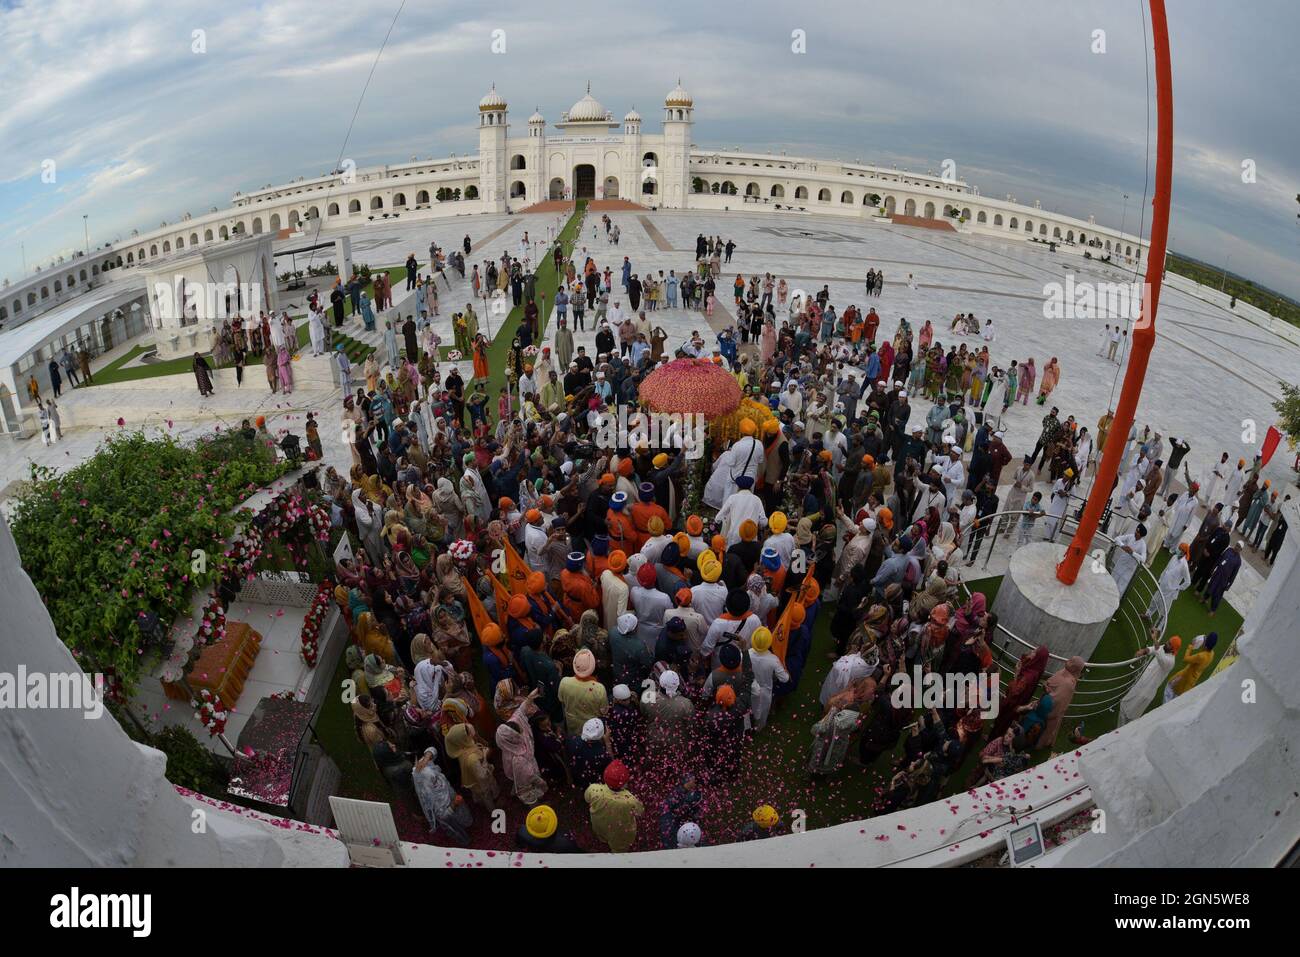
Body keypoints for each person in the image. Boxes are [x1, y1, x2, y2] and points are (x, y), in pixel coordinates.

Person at [1117, 634, 1181, 725]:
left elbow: (1159, 654)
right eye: (1168, 641)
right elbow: (1154, 649)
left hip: (1146, 692)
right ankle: (1117, 731)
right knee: (1124, 705)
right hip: (1141, 683)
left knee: (1131, 716)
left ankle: (1120, 733)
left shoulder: (1170, 662)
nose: (1167, 643)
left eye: (1170, 644)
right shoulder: (1164, 648)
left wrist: (1154, 638)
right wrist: (1144, 651)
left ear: (1173, 649)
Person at [584, 760, 643, 852]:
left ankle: (603, 840)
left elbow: (587, 798)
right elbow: (640, 812)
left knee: (602, 835)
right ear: (624, 784)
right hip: (619, 832)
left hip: (599, 824)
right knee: (619, 849)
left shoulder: (594, 789)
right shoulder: (630, 800)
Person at [1165, 633, 1217, 701]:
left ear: (1206, 646)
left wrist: (1190, 646)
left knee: (1169, 688)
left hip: (1185, 677)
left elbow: (1186, 659)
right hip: (1192, 681)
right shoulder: (1212, 654)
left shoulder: (1201, 656)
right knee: (1179, 699)